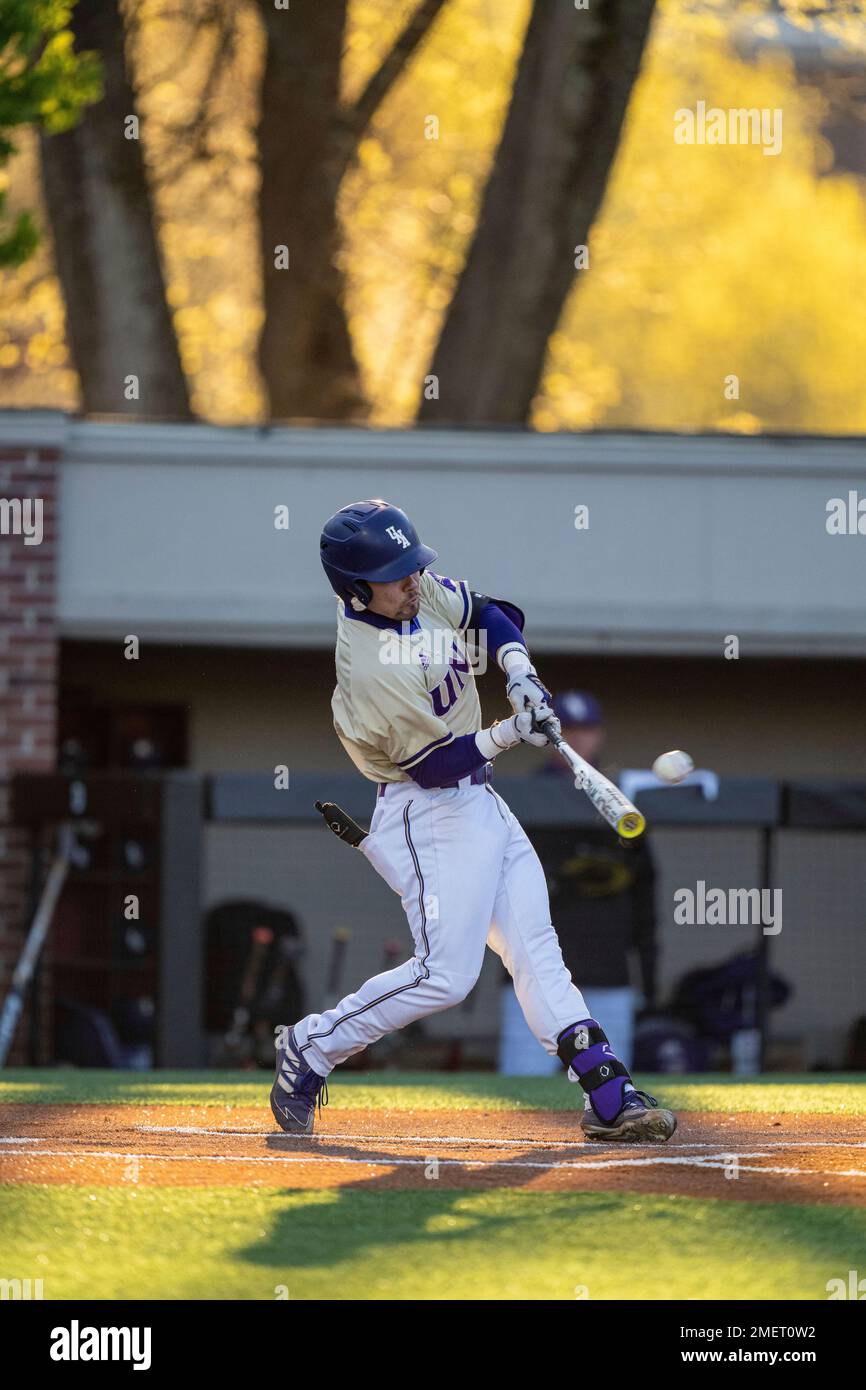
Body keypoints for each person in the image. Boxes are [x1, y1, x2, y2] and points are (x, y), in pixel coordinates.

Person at [270, 500, 676, 1144]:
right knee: (445, 976)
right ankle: (312, 1044)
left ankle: (608, 1091)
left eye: (411, 568)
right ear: (355, 587)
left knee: (534, 948)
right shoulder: (371, 667)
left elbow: (494, 613)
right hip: (422, 808)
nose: (412, 581)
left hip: (479, 802)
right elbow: (434, 767)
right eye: (395, 574)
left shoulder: (409, 591)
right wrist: (514, 730)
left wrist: (519, 673)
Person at [530, 691, 657, 1071]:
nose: (578, 739)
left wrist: (649, 977)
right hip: (539, 971)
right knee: (525, 1083)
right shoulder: (529, 797)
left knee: (611, 1080)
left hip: (608, 969)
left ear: (599, 734)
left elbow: (646, 892)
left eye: (586, 729)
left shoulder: (622, 797)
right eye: (568, 729)